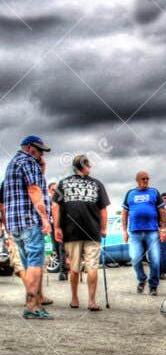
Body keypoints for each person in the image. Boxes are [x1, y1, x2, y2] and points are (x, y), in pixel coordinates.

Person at [4, 135, 55, 319]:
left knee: (28, 263)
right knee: (35, 262)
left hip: (15, 224)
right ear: (28, 147)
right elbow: (34, 190)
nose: (41, 154)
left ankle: (36, 302)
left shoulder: (12, 164)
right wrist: (45, 218)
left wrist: (42, 167)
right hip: (30, 220)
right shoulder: (28, 162)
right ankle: (32, 305)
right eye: (39, 150)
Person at [53, 154, 109, 311]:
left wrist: (57, 227)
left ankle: (75, 299)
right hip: (92, 231)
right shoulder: (97, 184)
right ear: (83, 166)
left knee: (74, 267)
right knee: (92, 266)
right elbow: (103, 209)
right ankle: (91, 301)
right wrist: (104, 228)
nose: (90, 168)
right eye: (89, 165)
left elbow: (55, 206)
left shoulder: (63, 183)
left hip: (71, 231)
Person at [123, 171, 166, 295]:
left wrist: (162, 229)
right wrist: (124, 231)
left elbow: (162, 211)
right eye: (143, 179)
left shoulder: (154, 192)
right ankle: (142, 279)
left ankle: (153, 286)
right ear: (137, 180)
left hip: (152, 231)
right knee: (135, 258)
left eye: (147, 178)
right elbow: (125, 213)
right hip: (135, 232)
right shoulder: (130, 194)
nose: (146, 181)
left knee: (155, 259)